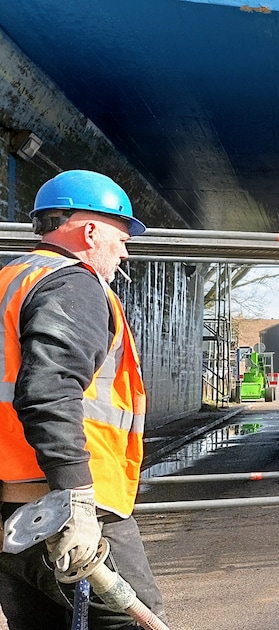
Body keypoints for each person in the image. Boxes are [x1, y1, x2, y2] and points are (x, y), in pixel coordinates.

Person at [0, 170, 165, 628]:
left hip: (15, 520)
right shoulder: (72, 284)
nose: (125, 250)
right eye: (121, 235)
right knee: (134, 621)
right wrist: (76, 501)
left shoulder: (9, 280)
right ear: (90, 230)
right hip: (66, 510)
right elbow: (49, 393)